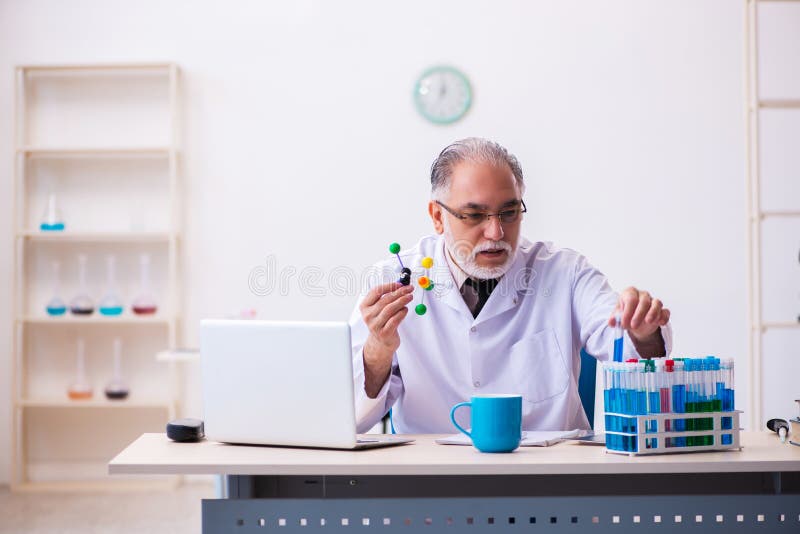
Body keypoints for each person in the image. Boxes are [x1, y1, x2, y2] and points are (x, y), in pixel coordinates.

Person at [349, 138, 672, 433]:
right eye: (474, 215)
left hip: (548, 476)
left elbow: (626, 353)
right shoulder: (393, 279)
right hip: (429, 478)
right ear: (437, 216)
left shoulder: (565, 273)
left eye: (509, 212)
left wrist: (642, 332)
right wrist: (377, 350)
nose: (496, 232)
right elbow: (354, 420)